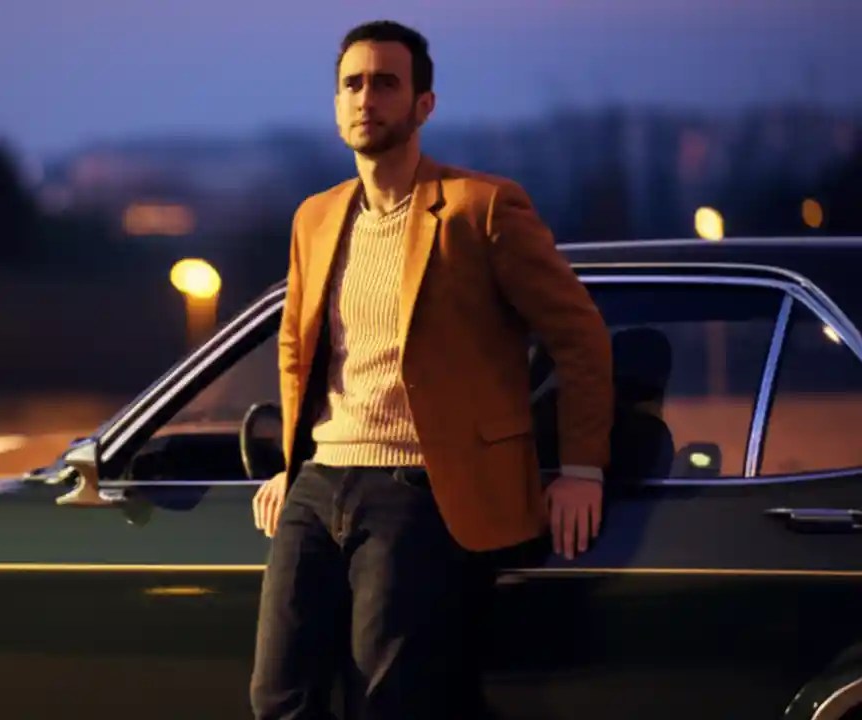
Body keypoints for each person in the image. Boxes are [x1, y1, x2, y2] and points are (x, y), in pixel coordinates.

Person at [248, 20, 614, 719]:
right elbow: (299, 350)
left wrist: (581, 469)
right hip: (319, 487)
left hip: (418, 489)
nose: (366, 99)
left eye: (386, 83)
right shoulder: (315, 217)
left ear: (423, 105)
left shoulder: (482, 208)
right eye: (352, 84)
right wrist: (292, 463)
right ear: (335, 105)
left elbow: (581, 336)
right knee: (277, 698)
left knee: (387, 702)